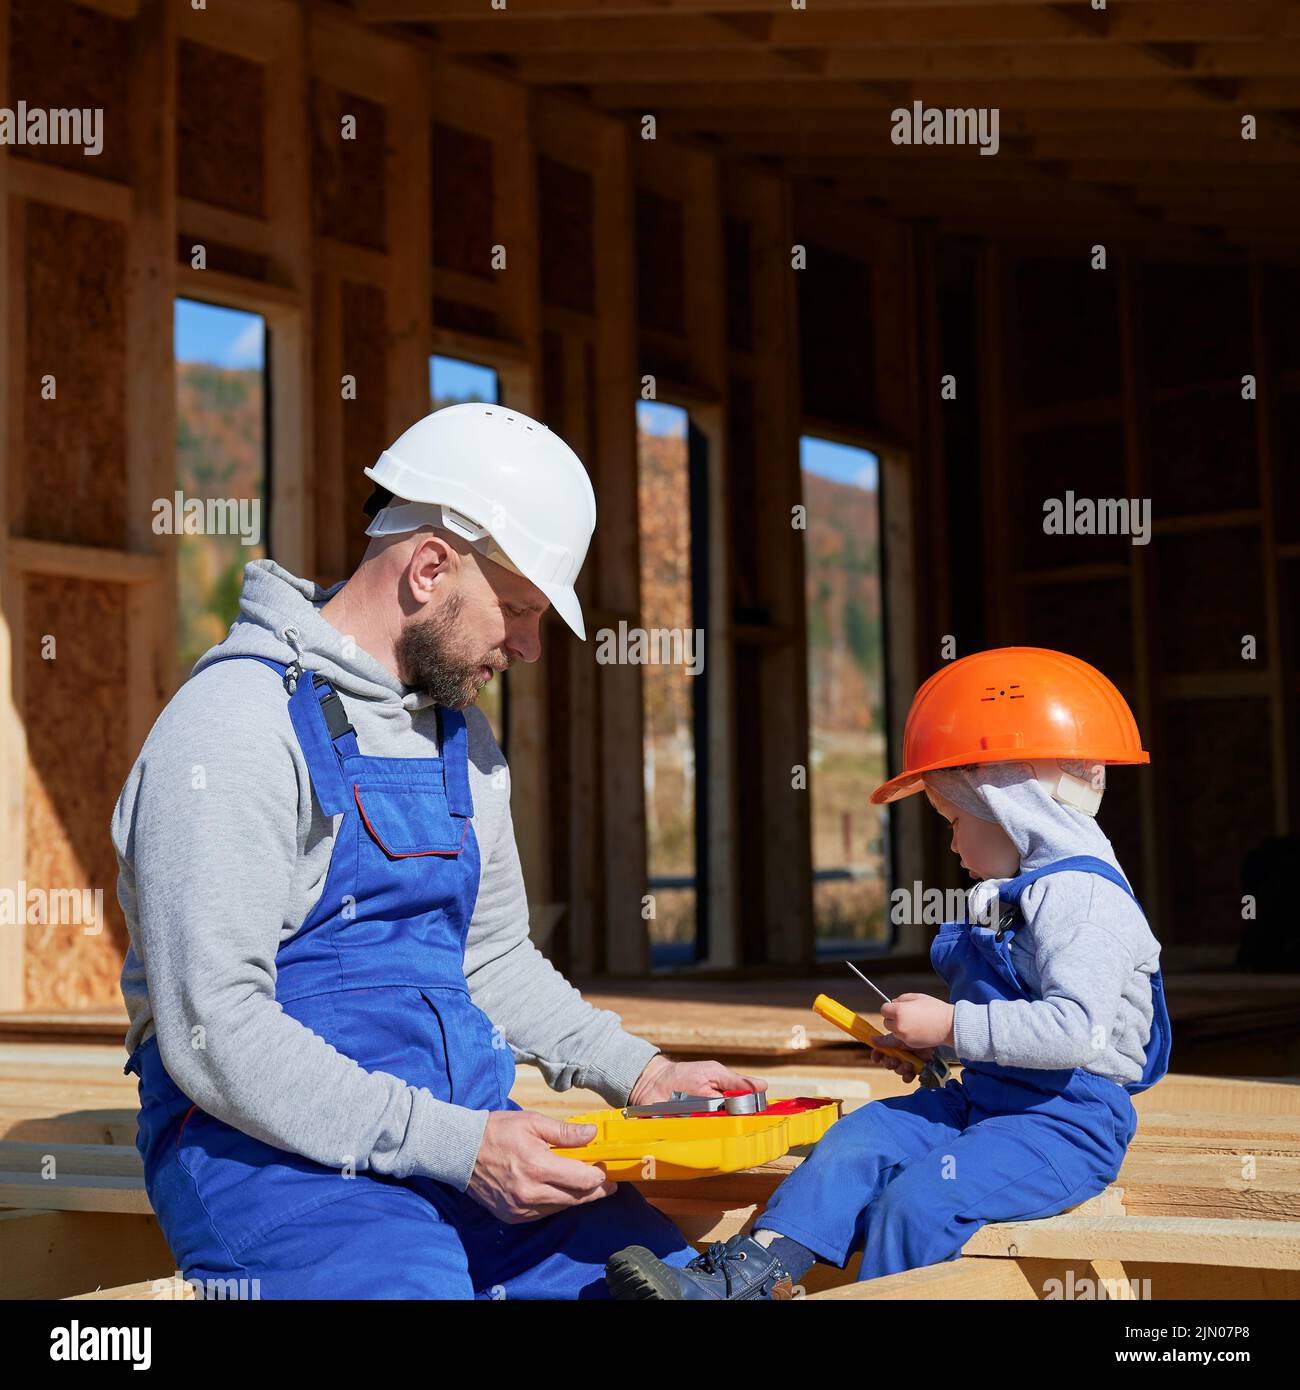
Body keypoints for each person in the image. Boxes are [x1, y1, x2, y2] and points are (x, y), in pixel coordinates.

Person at [114, 402, 762, 1299]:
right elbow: (213, 1030)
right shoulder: (234, 728)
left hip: (462, 1144)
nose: (530, 647)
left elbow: (490, 957)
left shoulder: (460, 735)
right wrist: (460, 1147)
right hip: (274, 1163)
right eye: (522, 612)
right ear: (428, 568)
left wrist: (641, 1073)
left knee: (668, 1283)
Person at [605, 646, 1171, 1300]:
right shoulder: (1016, 895)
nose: (953, 844)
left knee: (920, 1200)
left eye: (957, 820)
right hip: (985, 1105)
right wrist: (939, 1045)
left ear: (1016, 806)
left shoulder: (1082, 900)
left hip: (1066, 1126)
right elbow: (1011, 1026)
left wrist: (954, 1023)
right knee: (860, 1137)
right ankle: (742, 1279)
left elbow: (1078, 1033)